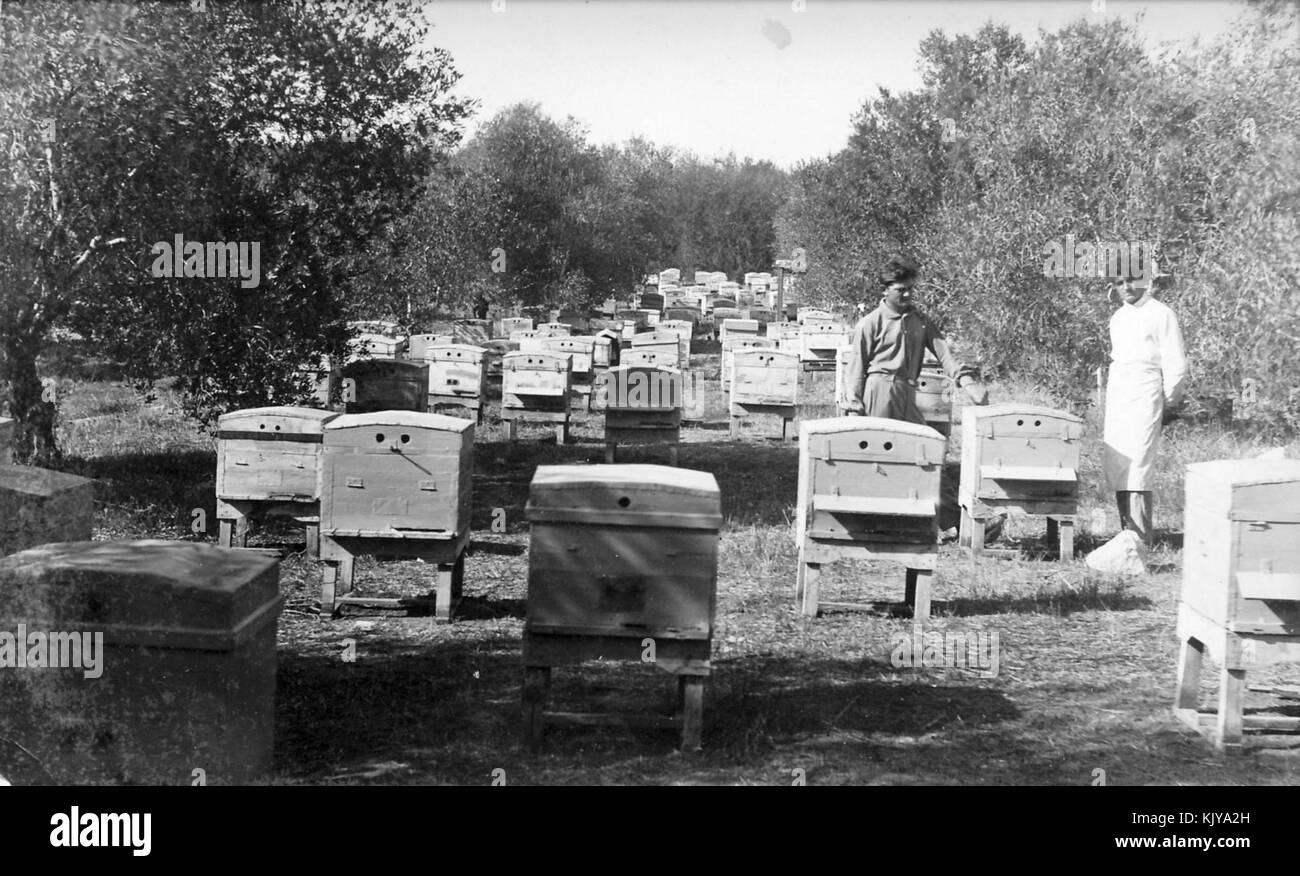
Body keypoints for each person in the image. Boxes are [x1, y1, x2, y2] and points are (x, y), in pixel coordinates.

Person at [843, 255, 988, 422]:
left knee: (926, 444)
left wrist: (968, 384)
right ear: (885, 289)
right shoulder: (870, 323)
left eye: (910, 288)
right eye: (900, 289)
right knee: (882, 443)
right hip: (879, 392)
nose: (907, 294)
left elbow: (945, 356)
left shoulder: (921, 321)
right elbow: (856, 368)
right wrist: (854, 407)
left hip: (909, 391)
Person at [1102, 271, 1187, 546]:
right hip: (1119, 391)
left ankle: (1141, 537)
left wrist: (1169, 400)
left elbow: (1175, 360)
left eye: (1131, 280)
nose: (1126, 287)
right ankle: (1126, 534)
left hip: (1146, 389)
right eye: (1118, 282)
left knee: (1139, 462)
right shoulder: (1118, 318)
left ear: (1144, 281)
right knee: (1119, 459)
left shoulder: (1161, 313)